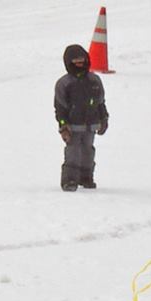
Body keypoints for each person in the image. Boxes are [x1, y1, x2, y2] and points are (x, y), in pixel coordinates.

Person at [54, 42, 109, 191]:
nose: (79, 64)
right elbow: (60, 108)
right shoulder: (64, 84)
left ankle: (86, 177)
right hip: (73, 127)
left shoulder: (94, 81)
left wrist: (103, 119)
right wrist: (63, 126)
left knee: (88, 151)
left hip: (91, 125)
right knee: (73, 152)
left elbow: (100, 103)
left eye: (81, 61)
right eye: (76, 62)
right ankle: (69, 179)